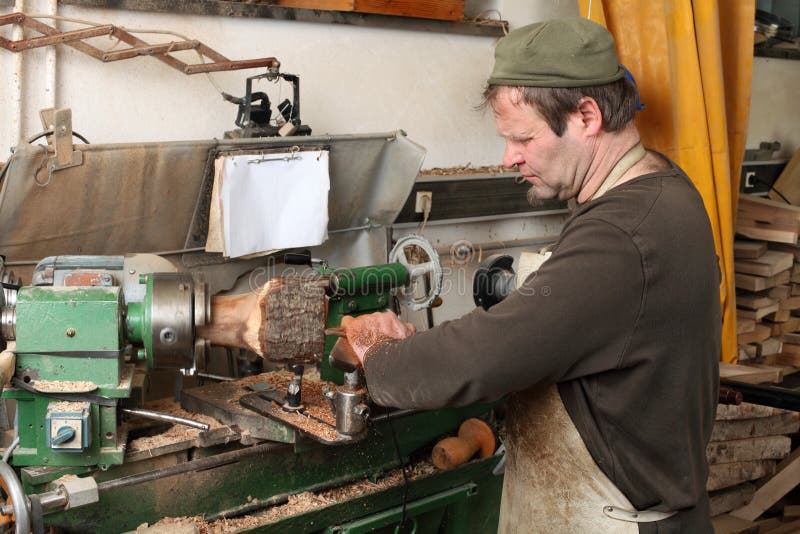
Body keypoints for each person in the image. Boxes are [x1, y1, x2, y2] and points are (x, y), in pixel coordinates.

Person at [341, 17, 720, 533]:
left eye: (524, 137)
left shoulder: (623, 235)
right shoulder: (662, 186)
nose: (510, 157)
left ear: (586, 115)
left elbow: (490, 353)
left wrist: (381, 357)